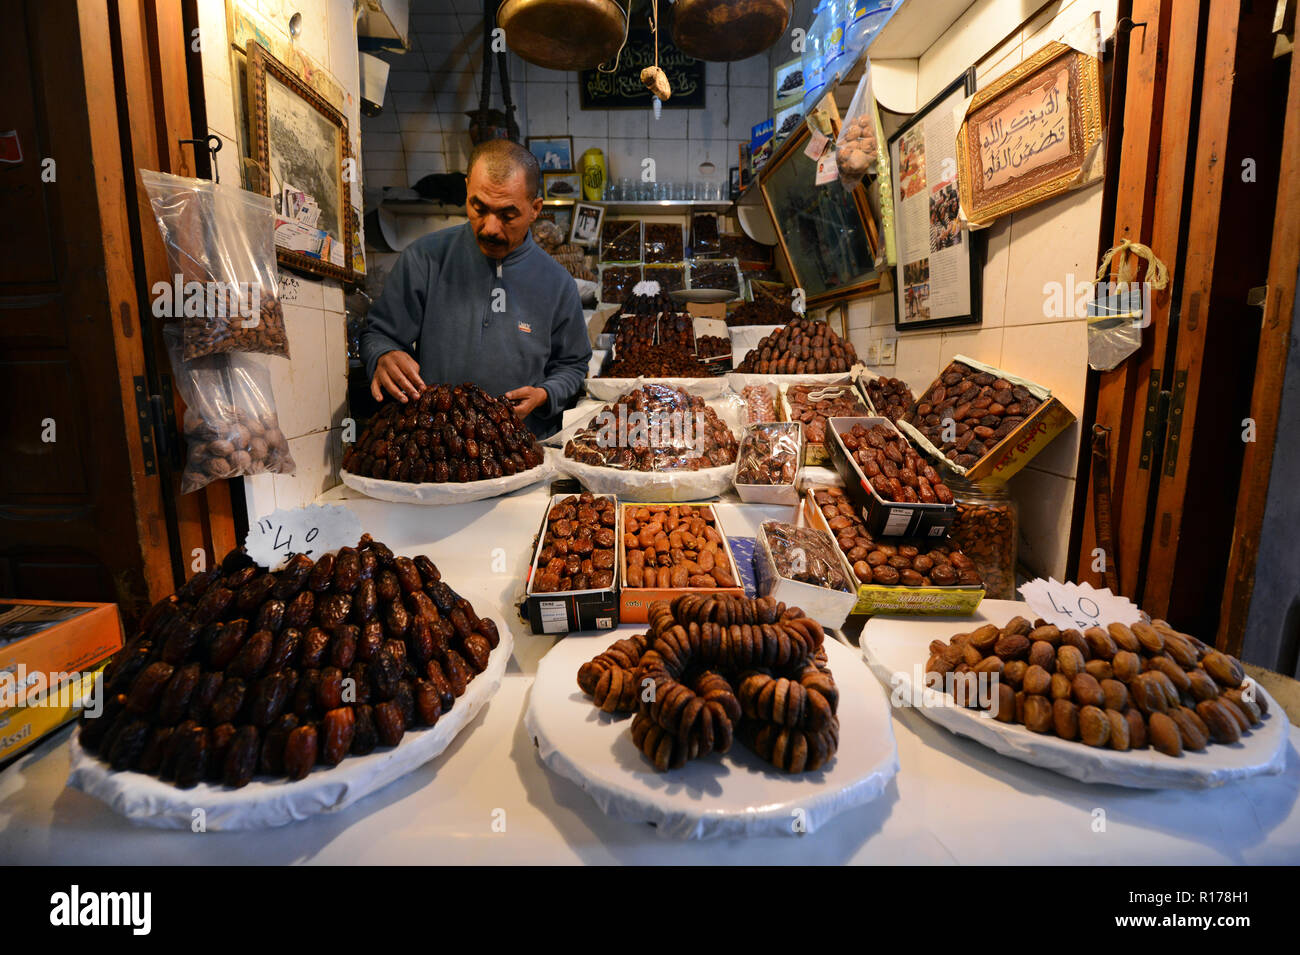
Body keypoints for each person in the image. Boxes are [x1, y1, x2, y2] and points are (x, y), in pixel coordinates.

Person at [361, 139, 592, 437]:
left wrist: (546, 394)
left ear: (535, 209)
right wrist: (383, 354)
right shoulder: (425, 258)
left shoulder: (557, 283)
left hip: (521, 449)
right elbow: (379, 334)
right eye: (478, 207)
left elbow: (573, 365)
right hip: (438, 448)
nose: (490, 228)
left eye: (508, 215)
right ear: (468, 190)